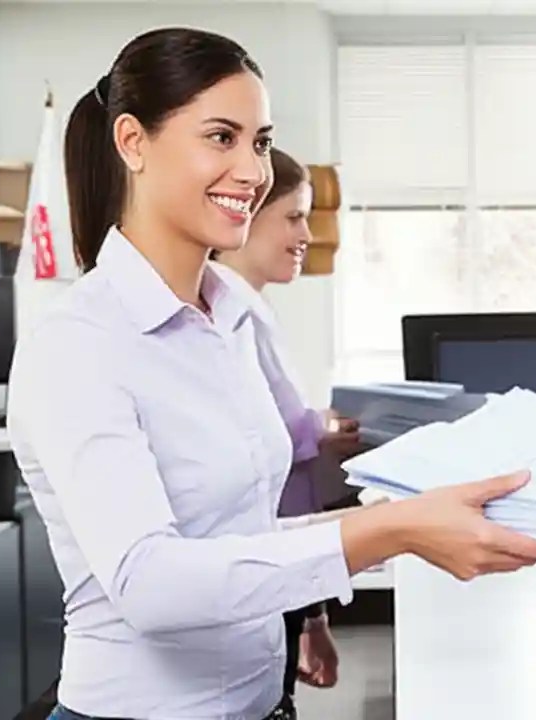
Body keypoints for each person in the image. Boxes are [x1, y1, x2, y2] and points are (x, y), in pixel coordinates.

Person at [6, 27, 536, 720]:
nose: (252, 170)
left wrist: (395, 516)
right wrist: (389, 533)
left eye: (260, 141)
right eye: (221, 137)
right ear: (132, 142)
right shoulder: (78, 342)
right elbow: (151, 585)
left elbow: (243, 534)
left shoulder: (229, 314)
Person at [210, 146, 357, 703]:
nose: (307, 235)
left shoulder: (255, 316)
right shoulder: (226, 323)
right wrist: (312, 431)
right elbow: (262, 462)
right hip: (258, 572)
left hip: (282, 572)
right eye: (294, 216)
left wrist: (313, 613)